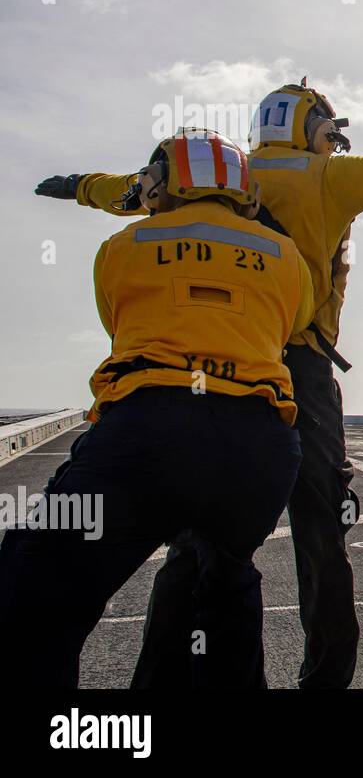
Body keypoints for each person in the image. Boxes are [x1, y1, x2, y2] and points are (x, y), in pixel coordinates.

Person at [36, 80, 363, 687]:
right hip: (298, 371)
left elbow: (133, 190)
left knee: (198, 540)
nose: (335, 139)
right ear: (307, 124)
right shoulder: (328, 178)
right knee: (322, 535)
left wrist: (77, 187)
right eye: (328, 128)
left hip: (213, 371)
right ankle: (325, 675)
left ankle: (165, 679)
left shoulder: (216, 177)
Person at [2, 129, 314, 687]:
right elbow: (292, 322)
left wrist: (87, 189)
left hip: (150, 431)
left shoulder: (127, 246)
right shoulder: (285, 255)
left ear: (166, 183)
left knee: (36, 583)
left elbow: (116, 321)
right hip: (259, 446)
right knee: (222, 589)